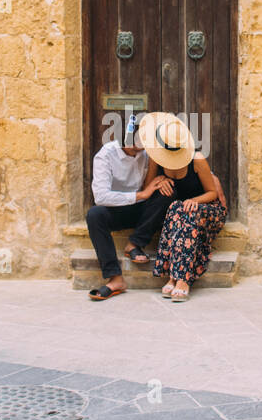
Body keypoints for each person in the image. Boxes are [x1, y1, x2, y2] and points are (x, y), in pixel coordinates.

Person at [137, 112, 227, 303]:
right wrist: (158, 182)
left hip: (207, 211)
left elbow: (212, 193)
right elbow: (147, 188)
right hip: (179, 216)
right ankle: (178, 277)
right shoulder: (157, 156)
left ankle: (178, 279)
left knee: (185, 212)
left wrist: (196, 201)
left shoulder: (196, 159)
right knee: (178, 209)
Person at [85, 115, 174, 301]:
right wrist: (141, 195)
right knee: (94, 215)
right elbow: (101, 197)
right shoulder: (105, 155)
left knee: (167, 192)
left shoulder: (148, 152)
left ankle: (134, 244)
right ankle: (115, 278)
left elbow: (158, 180)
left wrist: (160, 178)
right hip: (116, 209)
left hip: (142, 211)